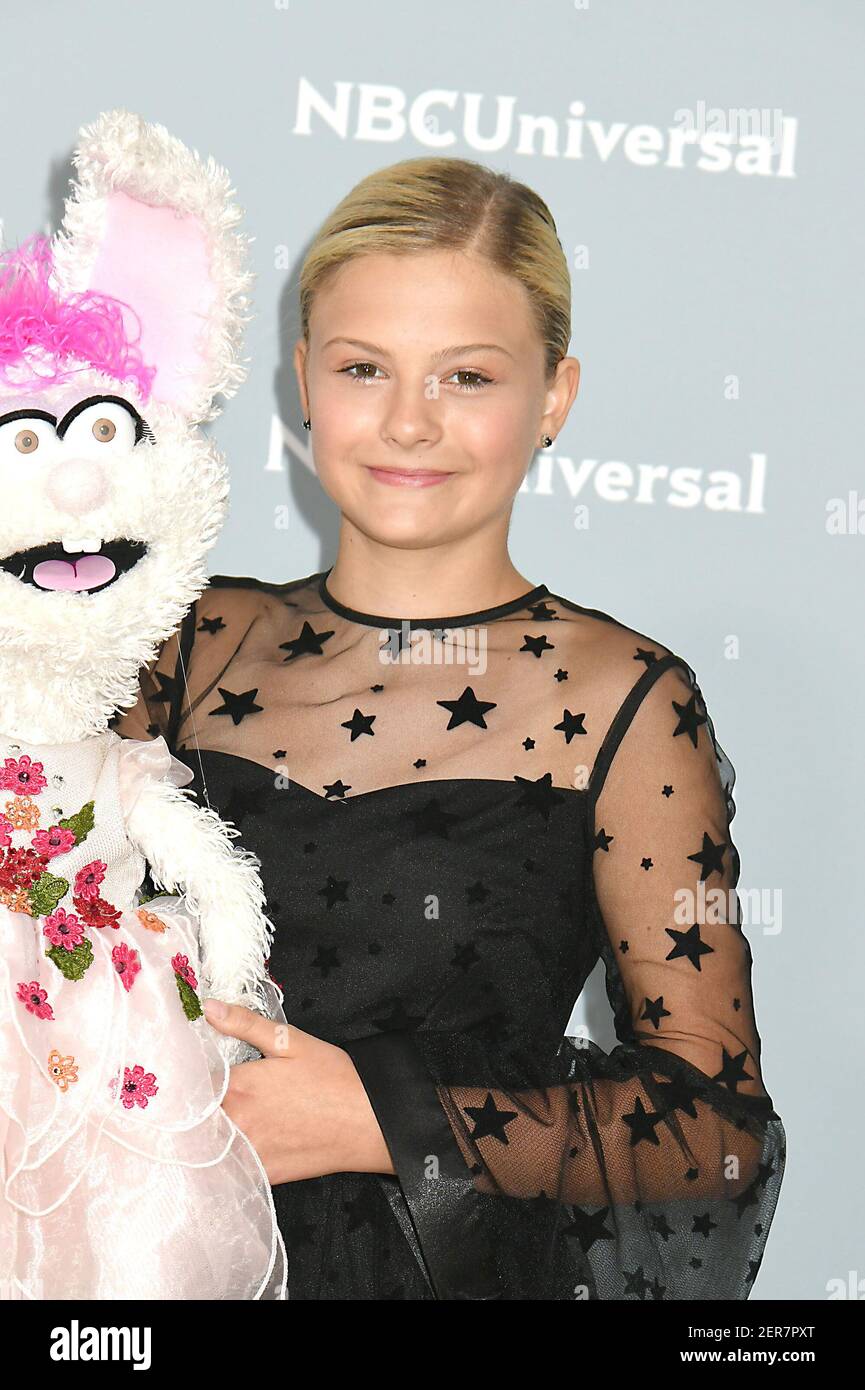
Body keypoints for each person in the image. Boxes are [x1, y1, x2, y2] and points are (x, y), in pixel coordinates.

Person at [111, 155, 786, 1300]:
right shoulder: (176, 640)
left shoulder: (626, 699)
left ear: (555, 396)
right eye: (365, 367)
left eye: (466, 376)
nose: (409, 422)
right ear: (304, 382)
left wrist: (382, 1118)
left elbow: (714, 1128)